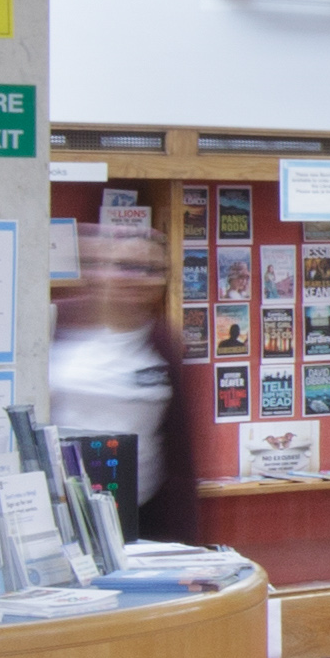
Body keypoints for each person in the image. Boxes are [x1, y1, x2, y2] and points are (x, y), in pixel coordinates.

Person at [51, 223, 203, 543]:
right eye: (126, 266)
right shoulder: (55, 325)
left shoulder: (163, 345)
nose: (137, 278)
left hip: (139, 517)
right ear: (99, 270)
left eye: (152, 269)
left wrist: (186, 542)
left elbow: (180, 454)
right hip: (58, 514)